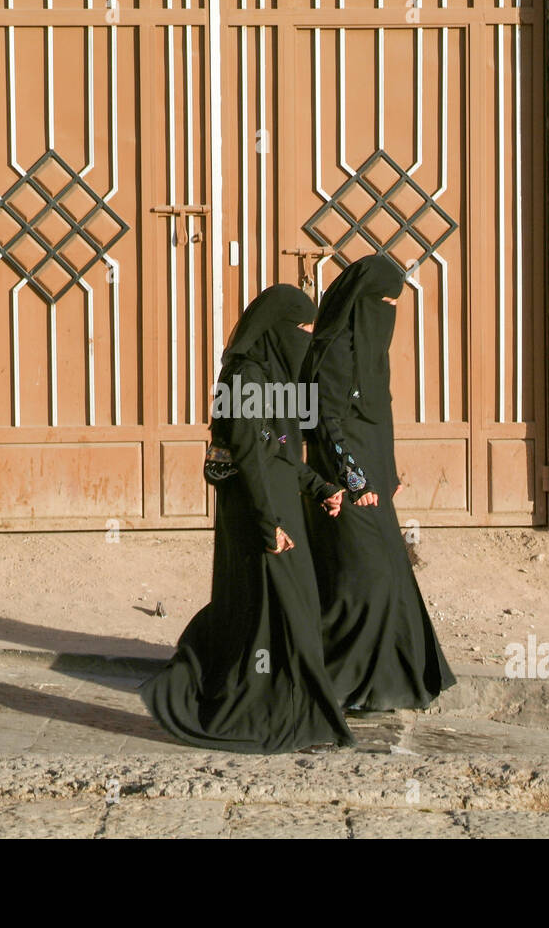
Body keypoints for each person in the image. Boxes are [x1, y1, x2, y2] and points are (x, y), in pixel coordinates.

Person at [139, 283, 355, 753]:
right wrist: (268, 524)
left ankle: (291, 711)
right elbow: (251, 461)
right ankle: (251, 706)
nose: (305, 339)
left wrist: (320, 488)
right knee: (277, 613)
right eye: (300, 330)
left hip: (279, 513)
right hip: (259, 517)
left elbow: (278, 450)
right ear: (275, 328)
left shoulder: (268, 380)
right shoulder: (242, 381)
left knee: (276, 615)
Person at [301, 254, 456, 712]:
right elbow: (325, 421)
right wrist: (355, 478)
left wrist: (388, 475)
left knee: (388, 573)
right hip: (344, 479)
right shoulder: (334, 351)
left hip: (374, 479)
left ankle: (388, 683)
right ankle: (332, 680)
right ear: (359, 301)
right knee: (363, 578)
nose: (386, 311)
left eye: (395, 303)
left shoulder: (370, 354)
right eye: (381, 302)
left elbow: (378, 418)